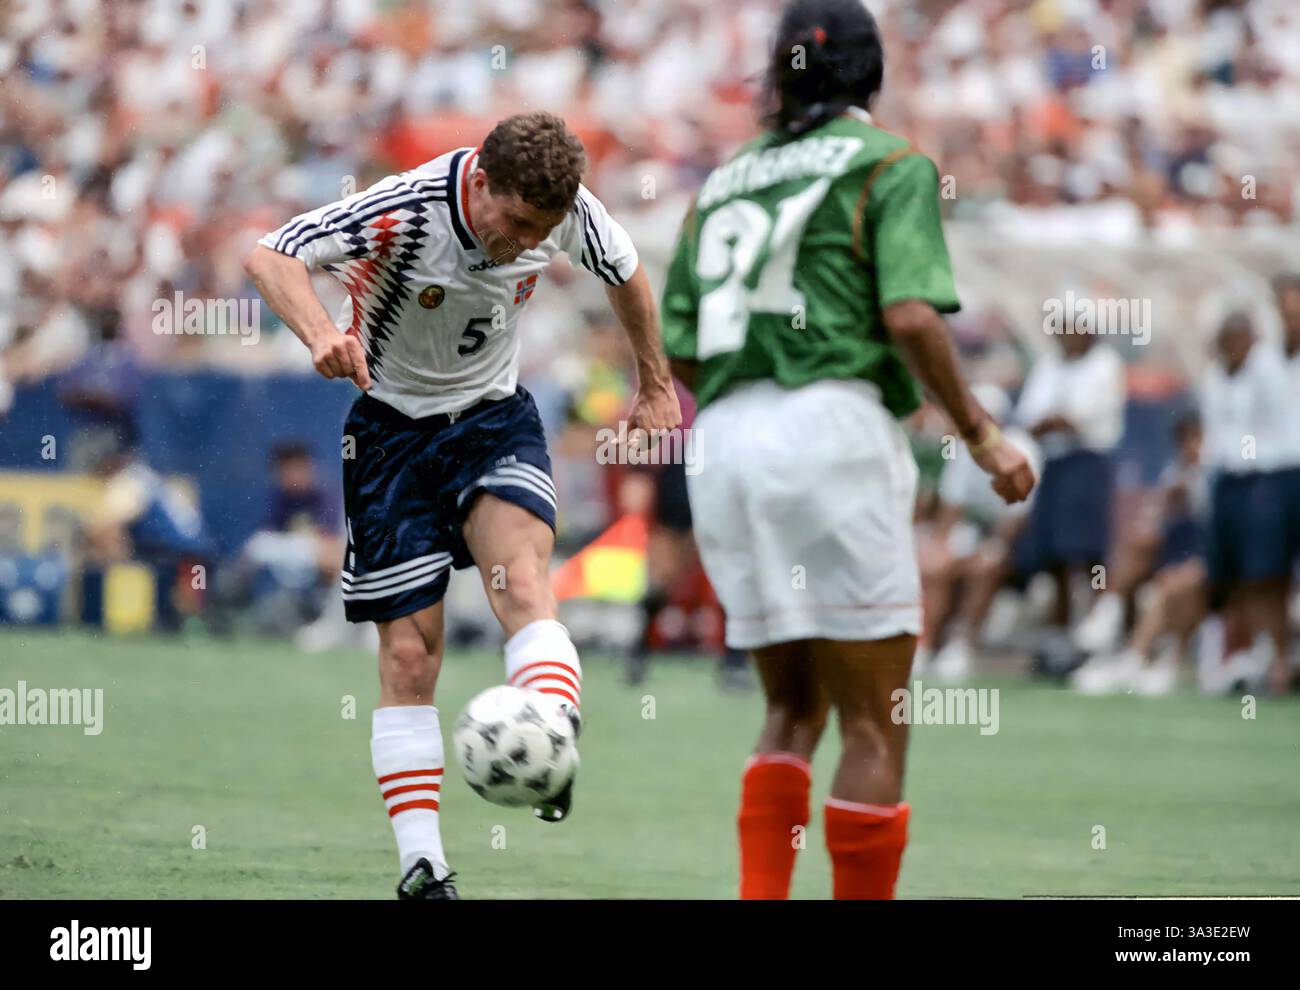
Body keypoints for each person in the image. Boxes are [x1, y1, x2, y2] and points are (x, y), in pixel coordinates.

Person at [245, 112, 681, 899]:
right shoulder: (404, 212)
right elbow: (269, 254)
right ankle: (424, 868)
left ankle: (548, 742)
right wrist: (316, 331)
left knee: (521, 579)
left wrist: (654, 384)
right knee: (411, 658)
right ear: (480, 180)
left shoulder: (566, 212)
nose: (524, 242)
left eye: (539, 229)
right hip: (391, 436)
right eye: (514, 222)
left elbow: (626, 272)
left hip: (492, 419)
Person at [660, 0, 1034, 900]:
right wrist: (982, 434)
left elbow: (677, 341)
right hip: (831, 428)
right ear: (872, 73)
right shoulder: (890, 163)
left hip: (725, 437)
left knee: (789, 707)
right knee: (876, 721)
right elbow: (908, 313)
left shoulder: (727, 178)